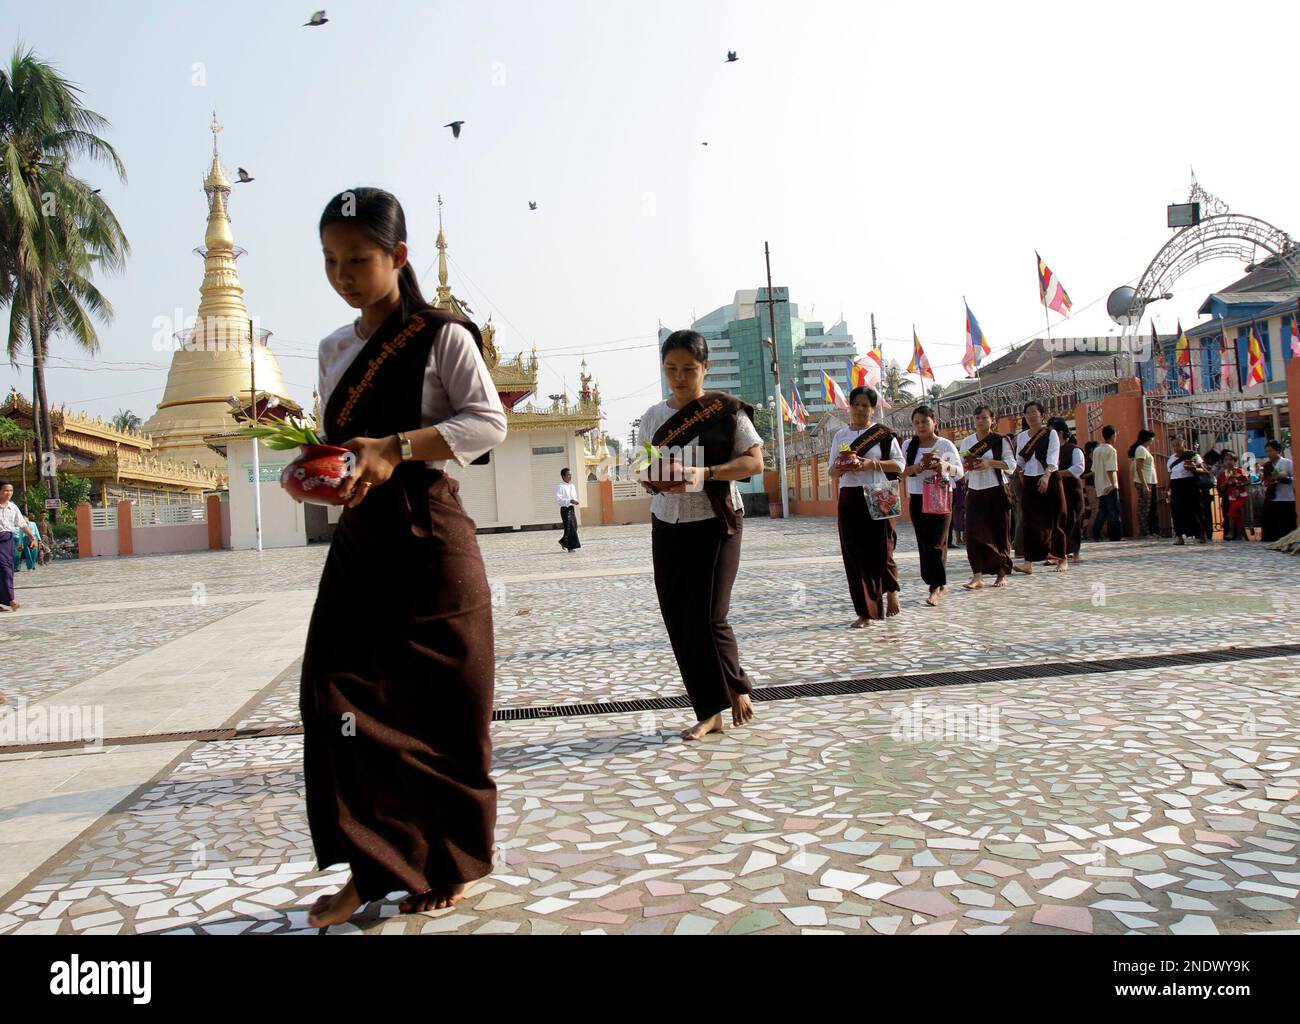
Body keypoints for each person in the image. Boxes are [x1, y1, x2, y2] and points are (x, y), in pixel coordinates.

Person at [300, 188, 508, 928]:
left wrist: (396, 448)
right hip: (362, 542)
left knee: (445, 703)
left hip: (430, 536)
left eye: (359, 259)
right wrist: (315, 471)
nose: (344, 274)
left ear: (399, 257)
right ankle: (371, 866)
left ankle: (449, 860)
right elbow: (338, 447)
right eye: (330, 260)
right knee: (337, 701)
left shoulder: (441, 336)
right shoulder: (332, 350)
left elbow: (489, 422)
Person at [638, 329, 763, 741]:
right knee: (680, 617)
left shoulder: (726, 412)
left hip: (716, 520)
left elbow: (754, 462)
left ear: (705, 368)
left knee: (711, 614)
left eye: (689, 369)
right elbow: (642, 468)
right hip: (668, 522)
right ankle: (710, 709)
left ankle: (736, 686)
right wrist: (654, 479)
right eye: (671, 369)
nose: (679, 377)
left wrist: (704, 473)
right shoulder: (654, 417)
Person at [829, 386, 904, 626]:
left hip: (881, 493)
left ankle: (891, 589)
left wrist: (870, 464)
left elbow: (899, 466)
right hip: (850, 496)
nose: (860, 409)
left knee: (884, 548)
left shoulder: (883, 434)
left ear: (873, 409)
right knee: (855, 555)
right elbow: (831, 470)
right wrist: (845, 466)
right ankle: (866, 612)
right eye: (856, 404)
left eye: (866, 405)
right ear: (849, 407)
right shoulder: (840, 436)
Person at [900, 405, 963, 606]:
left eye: (925, 421)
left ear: (934, 422)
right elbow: (900, 472)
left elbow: (960, 473)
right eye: (917, 422)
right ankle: (935, 581)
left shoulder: (945, 445)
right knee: (924, 542)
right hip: (918, 496)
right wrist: (917, 468)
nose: (921, 426)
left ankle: (936, 587)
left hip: (940, 495)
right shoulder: (909, 446)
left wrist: (944, 466)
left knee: (937, 542)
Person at [957, 404, 1014, 590]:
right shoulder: (967, 442)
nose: (980, 421)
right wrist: (969, 466)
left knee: (1000, 532)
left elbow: (1011, 465)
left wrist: (989, 463)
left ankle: (1002, 571)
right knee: (973, 535)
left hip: (996, 489)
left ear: (993, 420)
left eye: (984, 417)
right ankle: (977, 575)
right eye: (977, 417)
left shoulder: (1000, 441)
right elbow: (962, 465)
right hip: (974, 490)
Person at [1013, 401, 1067, 574]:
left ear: (1042, 415)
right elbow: (1019, 460)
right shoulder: (1022, 437)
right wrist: (1011, 471)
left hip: (1049, 478)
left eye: (1034, 412)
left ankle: (1061, 557)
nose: (1030, 415)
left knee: (1056, 517)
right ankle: (1028, 562)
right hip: (1030, 479)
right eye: (1027, 412)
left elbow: (1053, 456)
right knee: (1029, 520)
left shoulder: (1050, 434)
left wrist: (1046, 476)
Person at [0, 481, 39, 611]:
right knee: (5, 570)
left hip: (8, 541)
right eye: (6, 490)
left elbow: (22, 524)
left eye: (11, 490)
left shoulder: (13, 507)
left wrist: (32, 538)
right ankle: (11, 600)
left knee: (8, 570)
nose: (9, 493)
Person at [1053, 420, 1085, 563]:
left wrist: (1059, 473)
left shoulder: (1074, 450)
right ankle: (1058, 553)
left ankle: (1074, 551)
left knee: (1073, 520)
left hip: (1072, 490)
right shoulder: (1051, 451)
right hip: (1055, 490)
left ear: (1059, 433)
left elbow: (1078, 468)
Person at [1167, 437, 1208, 544]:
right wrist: (1168, 489)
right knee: (1177, 511)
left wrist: (1194, 468)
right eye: (1174, 445)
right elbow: (1170, 474)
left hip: (1189, 484)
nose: (1176, 447)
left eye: (1178, 445)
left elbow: (1204, 469)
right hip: (1176, 486)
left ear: (1183, 444)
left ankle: (1200, 534)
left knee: (1194, 510)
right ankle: (1179, 535)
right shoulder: (1171, 458)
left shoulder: (1192, 455)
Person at [1088, 425, 1122, 542]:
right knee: (1114, 511)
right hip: (1109, 485)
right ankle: (1115, 536)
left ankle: (1095, 534)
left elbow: (1094, 469)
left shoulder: (1097, 450)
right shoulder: (1111, 450)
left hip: (1100, 485)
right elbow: (1111, 469)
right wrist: (1113, 485)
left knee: (1103, 511)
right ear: (1113, 436)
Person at [1261, 440, 1296, 542]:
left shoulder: (1287, 463)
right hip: (1272, 498)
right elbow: (1265, 480)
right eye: (1267, 451)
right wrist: (1268, 482)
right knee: (1269, 523)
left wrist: (1284, 478)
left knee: (1286, 524)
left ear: (1278, 450)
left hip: (1286, 498)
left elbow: (1295, 479)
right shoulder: (1267, 465)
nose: (1269, 454)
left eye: (1271, 451)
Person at [1129, 429, 1157, 538]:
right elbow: (1139, 469)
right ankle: (1144, 532)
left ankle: (1147, 531)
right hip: (1144, 481)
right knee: (1144, 507)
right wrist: (1145, 484)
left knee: (1147, 506)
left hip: (1149, 480)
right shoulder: (1140, 449)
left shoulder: (1144, 449)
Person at [1217, 451, 1249, 541]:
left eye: (1230, 460)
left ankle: (1231, 532)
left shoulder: (1239, 470)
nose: (1228, 462)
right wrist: (1227, 482)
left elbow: (1247, 481)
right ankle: (1244, 536)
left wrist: (1238, 483)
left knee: (1231, 512)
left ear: (1234, 461)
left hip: (1241, 496)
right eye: (1226, 460)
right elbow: (1221, 487)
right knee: (1238, 517)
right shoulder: (1223, 474)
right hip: (1231, 497)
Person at [556, 467, 581, 552]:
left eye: (571, 475)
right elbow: (559, 500)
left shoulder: (572, 486)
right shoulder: (560, 486)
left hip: (571, 508)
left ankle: (563, 541)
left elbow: (574, 497)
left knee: (574, 526)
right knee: (570, 527)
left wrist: (575, 501)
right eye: (568, 475)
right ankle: (570, 547)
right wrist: (569, 500)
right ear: (563, 476)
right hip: (565, 509)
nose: (570, 476)